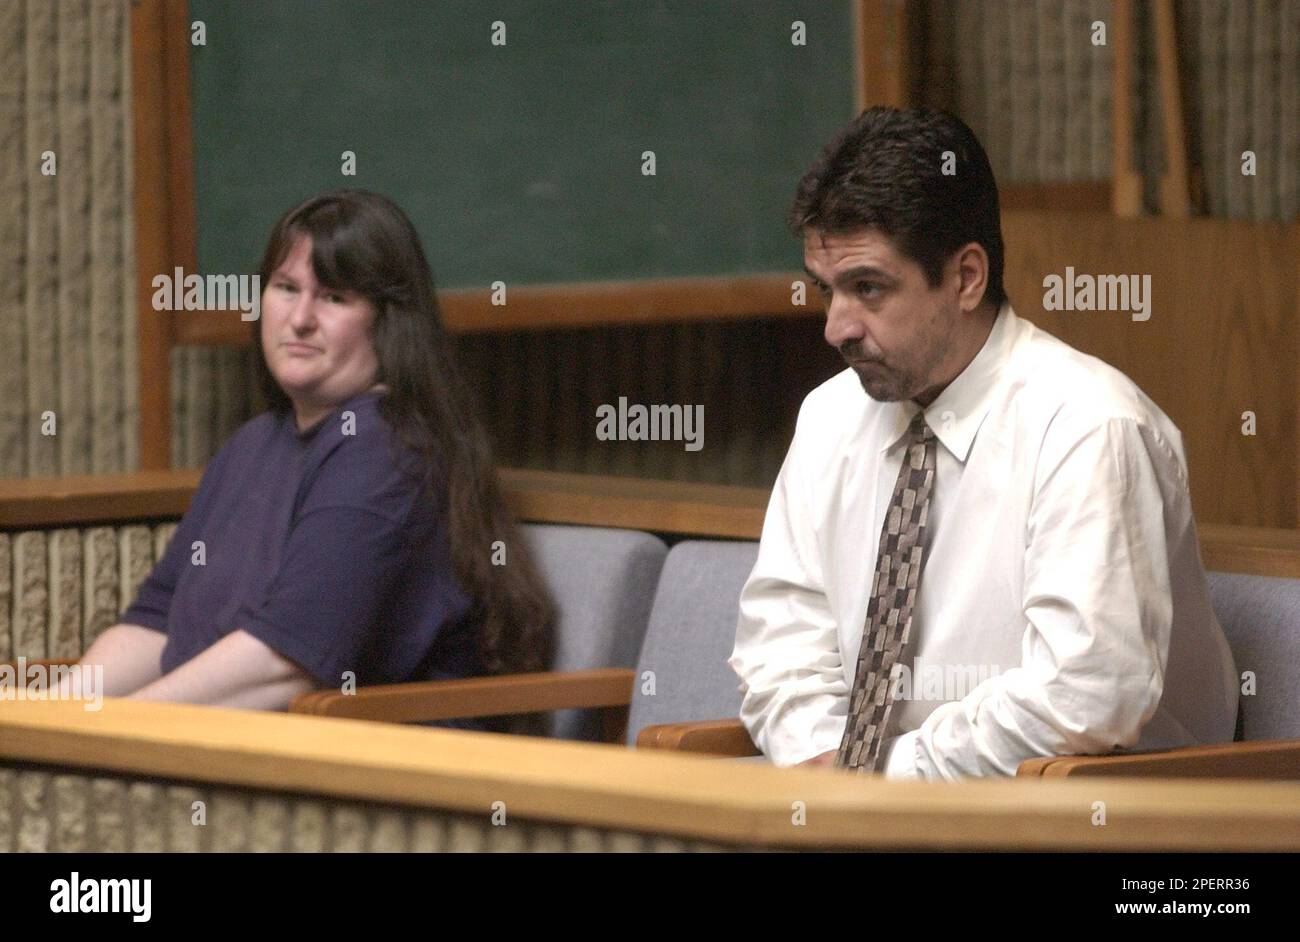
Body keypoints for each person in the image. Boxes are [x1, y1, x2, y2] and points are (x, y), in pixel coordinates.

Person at [728, 107, 1238, 779]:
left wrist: (888, 779)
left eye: (868, 288)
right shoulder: (831, 417)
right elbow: (780, 641)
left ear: (966, 277)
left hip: (1092, 823)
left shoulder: (1087, 428)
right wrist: (824, 763)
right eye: (828, 291)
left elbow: (1084, 696)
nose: (836, 328)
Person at [74, 190, 554, 719]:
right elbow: (156, 623)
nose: (299, 318)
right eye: (285, 288)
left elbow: (286, 661)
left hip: (375, 777)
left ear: (390, 321)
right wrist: (51, 713)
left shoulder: (387, 450)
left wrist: (111, 727)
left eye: (333, 298)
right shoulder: (254, 443)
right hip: (226, 743)